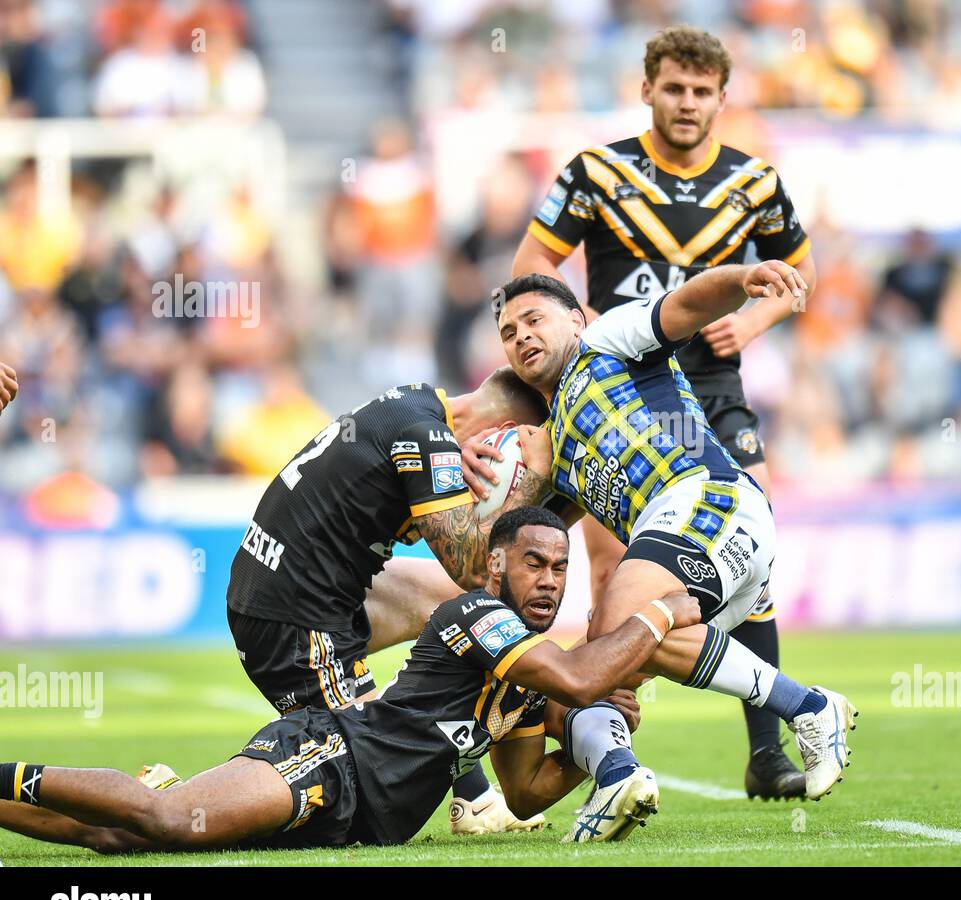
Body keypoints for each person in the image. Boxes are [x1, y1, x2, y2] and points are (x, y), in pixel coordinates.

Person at [0, 508, 702, 851]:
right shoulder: (476, 613)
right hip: (333, 760)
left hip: (354, 816)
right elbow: (579, 681)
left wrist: (583, 760)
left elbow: (524, 790)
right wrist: (661, 612)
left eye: (559, 568)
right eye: (534, 564)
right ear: (495, 569)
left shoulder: (521, 678)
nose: (548, 580)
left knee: (123, 839)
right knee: (170, 819)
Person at [508, 26, 817, 799]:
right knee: (619, 572)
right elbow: (531, 264)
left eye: (701, 91)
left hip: (711, 390)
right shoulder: (598, 172)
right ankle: (609, 733)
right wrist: (574, 337)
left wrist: (752, 322)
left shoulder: (754, 183)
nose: (686, 103)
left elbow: (799, 274)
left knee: (755, 552)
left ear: (721, 97)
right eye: (673, 88)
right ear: (647, 89)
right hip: (631, 392)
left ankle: (765, 752)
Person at [494, 266, 857, 801]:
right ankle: (618, 779)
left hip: (710, 499)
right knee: (603, 658)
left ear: (574, 319)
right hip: (713, 559)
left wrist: (743, 279)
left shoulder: (605, 340)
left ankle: (807, 708)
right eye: (508, 332)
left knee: (616, 626)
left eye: (533, 319)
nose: (522, 335)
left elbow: (686, 304)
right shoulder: (556, 448)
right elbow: (520, 537)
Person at [142, 372, 553, 835]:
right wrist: (531, 479)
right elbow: (476, 566)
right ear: (501, 435)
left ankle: (473, 798)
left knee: (464, 605)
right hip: (292, 618)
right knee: (379, 758)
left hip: (292, 586)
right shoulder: (427, 437)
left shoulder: (419, 406)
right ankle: (169, 799)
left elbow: (469, 581)